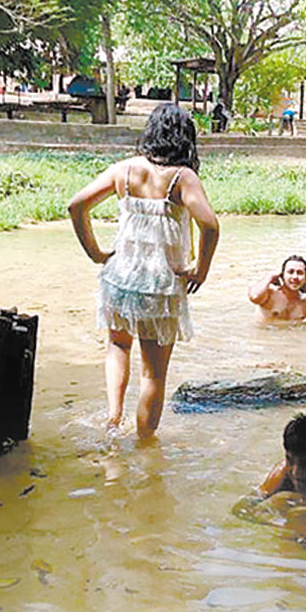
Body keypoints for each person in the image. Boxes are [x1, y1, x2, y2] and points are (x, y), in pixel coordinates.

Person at [68, 105, 220, 439]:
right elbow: (209, 225)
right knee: (153, 375)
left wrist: (96, 253)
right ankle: (144, 447)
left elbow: (77, 205)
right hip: (160, 286)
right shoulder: (183, 177)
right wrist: (201, 270)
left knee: (118, 347)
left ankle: (112, 421)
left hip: (119, 277)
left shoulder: (125, 169)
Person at [248, 255, 306, 323]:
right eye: (290, 272)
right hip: (264, 342)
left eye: (300, 273)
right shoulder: (270, 294)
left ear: (305, 278)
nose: (295, 277)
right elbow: (254, 297)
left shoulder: (305, 303)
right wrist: (270, 277)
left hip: (293, 343)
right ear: (282, 275)